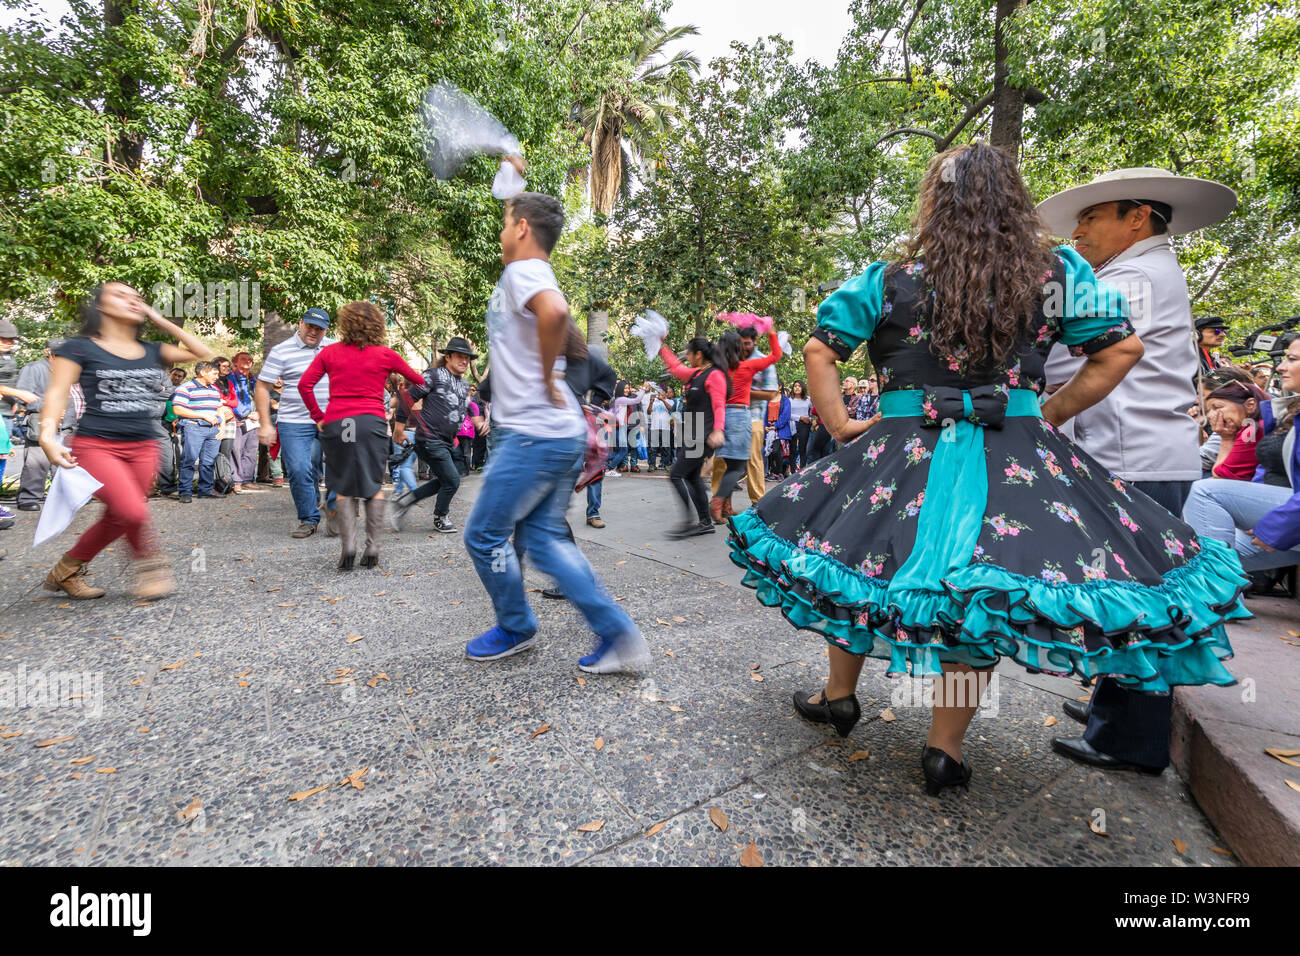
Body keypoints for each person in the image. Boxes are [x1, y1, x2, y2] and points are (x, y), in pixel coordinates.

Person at [726, 143, 1247, 796]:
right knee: (984, 595)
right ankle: (944, 751)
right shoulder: (1057, 271)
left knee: (858, 563)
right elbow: (1121, 350)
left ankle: (839, 697)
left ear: (935, 203)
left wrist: (837, 423)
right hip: (1013, 453)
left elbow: (819, 348)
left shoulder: (889, 276)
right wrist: (1047, 413)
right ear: (1012, 200)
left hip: (900, 448)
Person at [1038, 164, 1239, 775]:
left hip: (1134, 458)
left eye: (1092, 216)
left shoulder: (1134, 279)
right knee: (1125, 587)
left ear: (1136, 216)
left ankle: (1129, 737)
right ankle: (1115, 700)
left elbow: (1063, 346)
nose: (1080, 231)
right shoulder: (1141, 272)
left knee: (1135, 593)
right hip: (1135, 454)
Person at [463, 191, 648, 674]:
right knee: (544, 540)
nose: (501, 232)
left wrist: (545, 375)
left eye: (506, 221)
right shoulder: (536, 272)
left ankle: (516, 625)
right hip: (560, 431)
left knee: (484, 536)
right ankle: (618, 634)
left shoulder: (523, 272)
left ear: (522, 228)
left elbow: (556, 314)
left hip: (532, 434)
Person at [39, 281, 215, 599]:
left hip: (144, 444)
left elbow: (203, 353)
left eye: (137, 296)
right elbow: (57, 392)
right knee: (132, 511)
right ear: (101, 306)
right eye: (120, 295)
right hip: (96, 444)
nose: (132, 300)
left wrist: (157, 318)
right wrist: (48, 436)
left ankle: (65, 571)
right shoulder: (79, 347)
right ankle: (150, 567)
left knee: (119, 516)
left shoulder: (152, 350)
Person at [298, 302, 423, 569]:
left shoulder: (329, 352)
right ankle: (373, 547)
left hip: (339, 421)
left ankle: (348, 547)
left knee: (343, 486)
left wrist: (317, 416)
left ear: (345, 324)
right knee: (373, 486)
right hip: (371, 423)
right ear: (378, 324)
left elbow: (304, 384)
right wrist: (397, 380)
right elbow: (418, 380)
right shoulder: (386, 354)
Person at [1184, 334, 1300, 573]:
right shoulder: (1286, 411)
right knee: (1189, 550)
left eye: (1292, 359)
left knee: (1202, 491)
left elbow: (1222, 476)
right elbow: (1262, 474)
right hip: (1283, 514)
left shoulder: (1250, 426)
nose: (1280, 366)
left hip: (1287, 518)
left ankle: (1210, 594)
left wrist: (1273, 528)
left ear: (1248, 404)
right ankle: (1215, 595)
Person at [389, 337, 486, 534]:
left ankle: (405, 501)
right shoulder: (433, 375)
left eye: (467, 358)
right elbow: (408, 398)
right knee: (452, 480)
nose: (464, 361)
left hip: (448, 441)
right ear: (448, 357)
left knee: (448, 478)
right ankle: (441, 517)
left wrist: (477, 421)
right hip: (429, 438)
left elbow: (463, 408)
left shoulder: (463, 384)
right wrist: (398, 429)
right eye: (460, 356)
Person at [255, 309, 335, 538]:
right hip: (294, 421)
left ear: (326, 330)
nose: (313, 331)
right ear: (300, 323)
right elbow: (262, 387)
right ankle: (309, 518)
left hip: (332, 419)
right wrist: (265, 424)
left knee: (341, 467)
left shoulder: (335, 348)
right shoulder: (281, 351)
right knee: (300, 469)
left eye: (319, 329)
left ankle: (335, 509)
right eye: (309, 326)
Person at [656, 335, 729, 536]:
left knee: (676, 474)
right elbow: (675, 368)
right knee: (692, 477)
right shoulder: (696, 374)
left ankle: (689, 523)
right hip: (693, 431)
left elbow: (719, 404)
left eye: (689, 353)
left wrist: (718, 429)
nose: (686, 357)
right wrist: (662, 344)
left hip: (703, 434)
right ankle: (705, 522)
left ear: (698, 354)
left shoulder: (715, 375)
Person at [708, 327, 781, 522]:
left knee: (730, 462)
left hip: (722, 418)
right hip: (740, 416)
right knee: (738, 466)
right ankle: (717, 501)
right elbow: (777, 355)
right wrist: (772, 332)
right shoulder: (747, 367)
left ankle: (726, 507)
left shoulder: (718, 370)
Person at [15, 338, 78, 511]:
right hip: (41, 421)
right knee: (36, 462)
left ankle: (65, 497)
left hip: (65, 424)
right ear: (48, 353)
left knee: (65, 461)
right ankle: (28, 498)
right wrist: (52, 407)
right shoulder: (33, 368)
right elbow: (22, 396)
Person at [171, 361, 226, 502]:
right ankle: (185, 492)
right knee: (188, 460)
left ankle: (205, 490)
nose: (217, 377)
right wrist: (202, 415)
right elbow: (178, 409)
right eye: (214, 373)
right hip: (194, 427)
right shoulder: (186, 388)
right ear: (203, 372)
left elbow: (219, 408)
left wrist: (222, 426)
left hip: (213, 430)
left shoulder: (214, 389)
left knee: (208, 461)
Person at [1203, 381, 1266, 481]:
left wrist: (1227, 439)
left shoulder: (1252, 431)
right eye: (1208, 410)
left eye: (1217, 407)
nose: (1210, 416)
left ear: (1250, 405)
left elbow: (1221, 476)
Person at [225, 352, 260, 492]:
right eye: (243, 359)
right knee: (236, 450)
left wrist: (258, 412)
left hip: (254, 420)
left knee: (251, 450)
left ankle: (247, 479)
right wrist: (245, 413)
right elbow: (232, 398)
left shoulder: (255, 380)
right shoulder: (230, 378)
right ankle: (236, 480)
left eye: (250, 360)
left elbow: (262, 397)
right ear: (235, 362)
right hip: (238, 419)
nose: (247, 361)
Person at [765, 385, 792, 479]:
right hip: (767, 428)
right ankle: (772, 472)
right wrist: (764, 426)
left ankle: (779, 472)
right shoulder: (766, 399)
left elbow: (786, 415)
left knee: (777, 451)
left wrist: (776, 426)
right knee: (768, 451)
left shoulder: (785, 400)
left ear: (780, 387)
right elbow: (763, 413)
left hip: (780, 428)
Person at [787, 380, 812, 468]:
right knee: (792, 449)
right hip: (792, 425)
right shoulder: (789, 400)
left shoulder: (808, 399)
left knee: (803, 448)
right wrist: (800, 417)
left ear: (803, 388)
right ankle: (792, 471)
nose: (797, 388)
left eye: (799, 386)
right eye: (795, 386)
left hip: (805, 425)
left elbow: (812, 413)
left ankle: (802, 469)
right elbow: (786, 414)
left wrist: (809, 419)